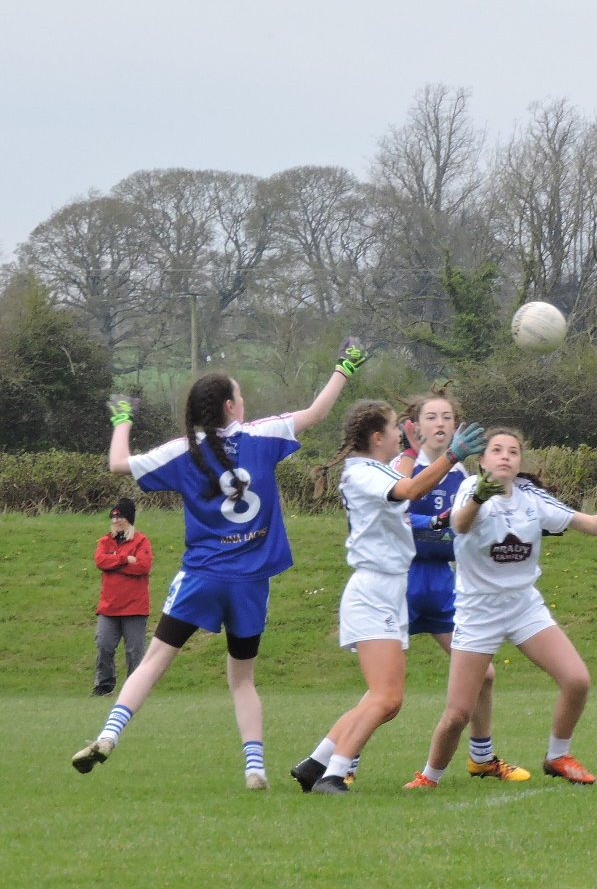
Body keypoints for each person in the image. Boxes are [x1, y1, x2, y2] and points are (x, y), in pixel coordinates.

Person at [70, 339, 369, 790]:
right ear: (230, 406)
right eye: (240, 395)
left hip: (201, 577)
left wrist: (122, 418)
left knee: (153, 662)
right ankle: (255, 769)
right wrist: (345, 366)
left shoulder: (181, 450)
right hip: (249, 583)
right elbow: (317, 412)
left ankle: (108, 735)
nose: (244, 401)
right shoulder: (263, 435)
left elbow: (117, 464)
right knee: (242, 679)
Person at [404, 426, 597, 790]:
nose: (505, 456)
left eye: (513, 451)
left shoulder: (530, 496)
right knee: (458, 714)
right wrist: (479, 498)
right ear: (482, 460)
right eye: (497, 450)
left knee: (577, 680)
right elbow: (460, 525)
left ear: (519, 461)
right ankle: (429, 777)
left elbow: (589, 524)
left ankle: (558, 756)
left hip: (523, 607)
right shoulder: (470, 487)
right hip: (478, 613)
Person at [290, 401, 488, 794]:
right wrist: (452, 455)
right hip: (373, 590)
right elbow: (411, 489)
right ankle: (334, 775)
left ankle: (315, 764)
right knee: (386, 698)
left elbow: (404, 481)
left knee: (387, 700)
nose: (401, 432)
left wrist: (413, 450)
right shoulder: (362, 472)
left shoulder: (376, 469)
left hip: (388, 589)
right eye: (396, 427)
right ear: (378, 437)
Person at [390, 387, 528, 783]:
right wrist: (437, 525)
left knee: (485, 675)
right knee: (385, 689)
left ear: (457, 428)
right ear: (414, 427)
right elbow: (394, 520)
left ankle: (481, 759)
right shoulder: (402, 467)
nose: (440, 424)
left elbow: (466, 532)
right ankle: (343, 766)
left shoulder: (462, 477)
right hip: (401, 582)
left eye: (447, 417)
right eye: (431, 417)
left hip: (442, 584)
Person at [88, 497, 154, 697]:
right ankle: (104, 685)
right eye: (113, 517)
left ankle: (135, 689)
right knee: (104, 645)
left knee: (134, 651)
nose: (116, 521)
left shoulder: (141, 541)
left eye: (120, 517)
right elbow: (101, 561)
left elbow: (143, 566)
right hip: (109, 606)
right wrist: (125, 559)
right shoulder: (105, 541)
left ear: (129, 519)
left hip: (135, 607)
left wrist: (114, 564)